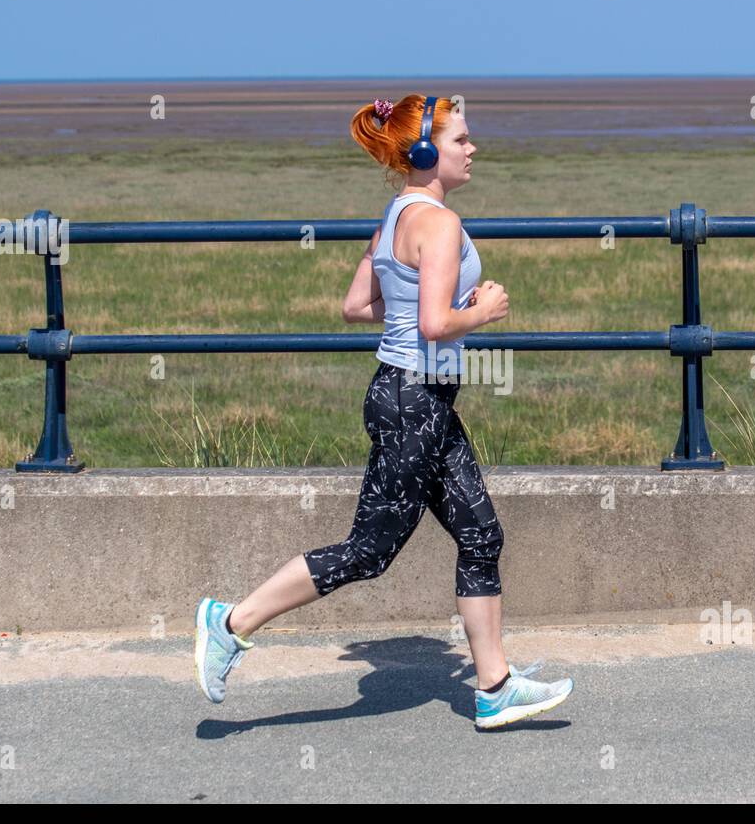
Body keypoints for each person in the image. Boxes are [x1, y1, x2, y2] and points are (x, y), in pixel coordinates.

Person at [195, 94, 572, 729]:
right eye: (461, 141)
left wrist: (434, 309)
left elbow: (355, 305)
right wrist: (483, 310)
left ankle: (495, 687)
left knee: (482, 533)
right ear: (426, 153)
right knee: (369, 551)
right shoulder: (441, 224)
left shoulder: (396, 213)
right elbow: (433, 323)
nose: (473, 148)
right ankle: (228, 622)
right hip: (413, 400)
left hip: (415, 397)